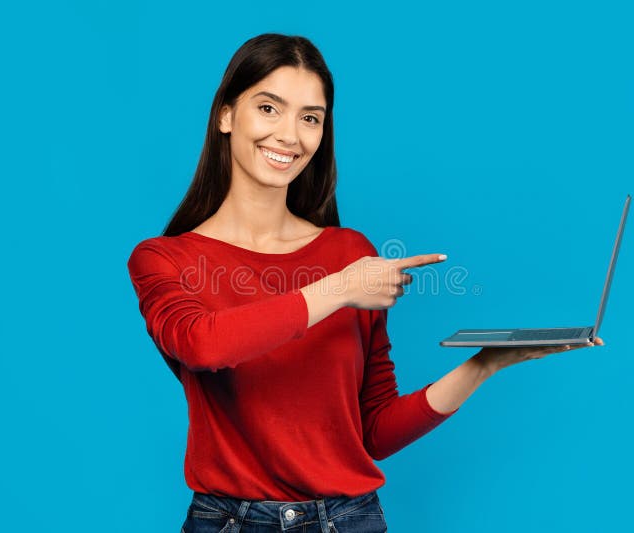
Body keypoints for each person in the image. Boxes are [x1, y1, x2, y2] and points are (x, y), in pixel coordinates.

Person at [127, 33, 603, 533]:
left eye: (310, 117)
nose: (290, 135)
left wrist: (484, 365)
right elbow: (204, 345)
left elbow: (371, 432)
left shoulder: (351, 253)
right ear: (226, 115)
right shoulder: (165, 260)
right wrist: (339, 289)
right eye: (269, 108)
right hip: (229, 521)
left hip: (347, 521)